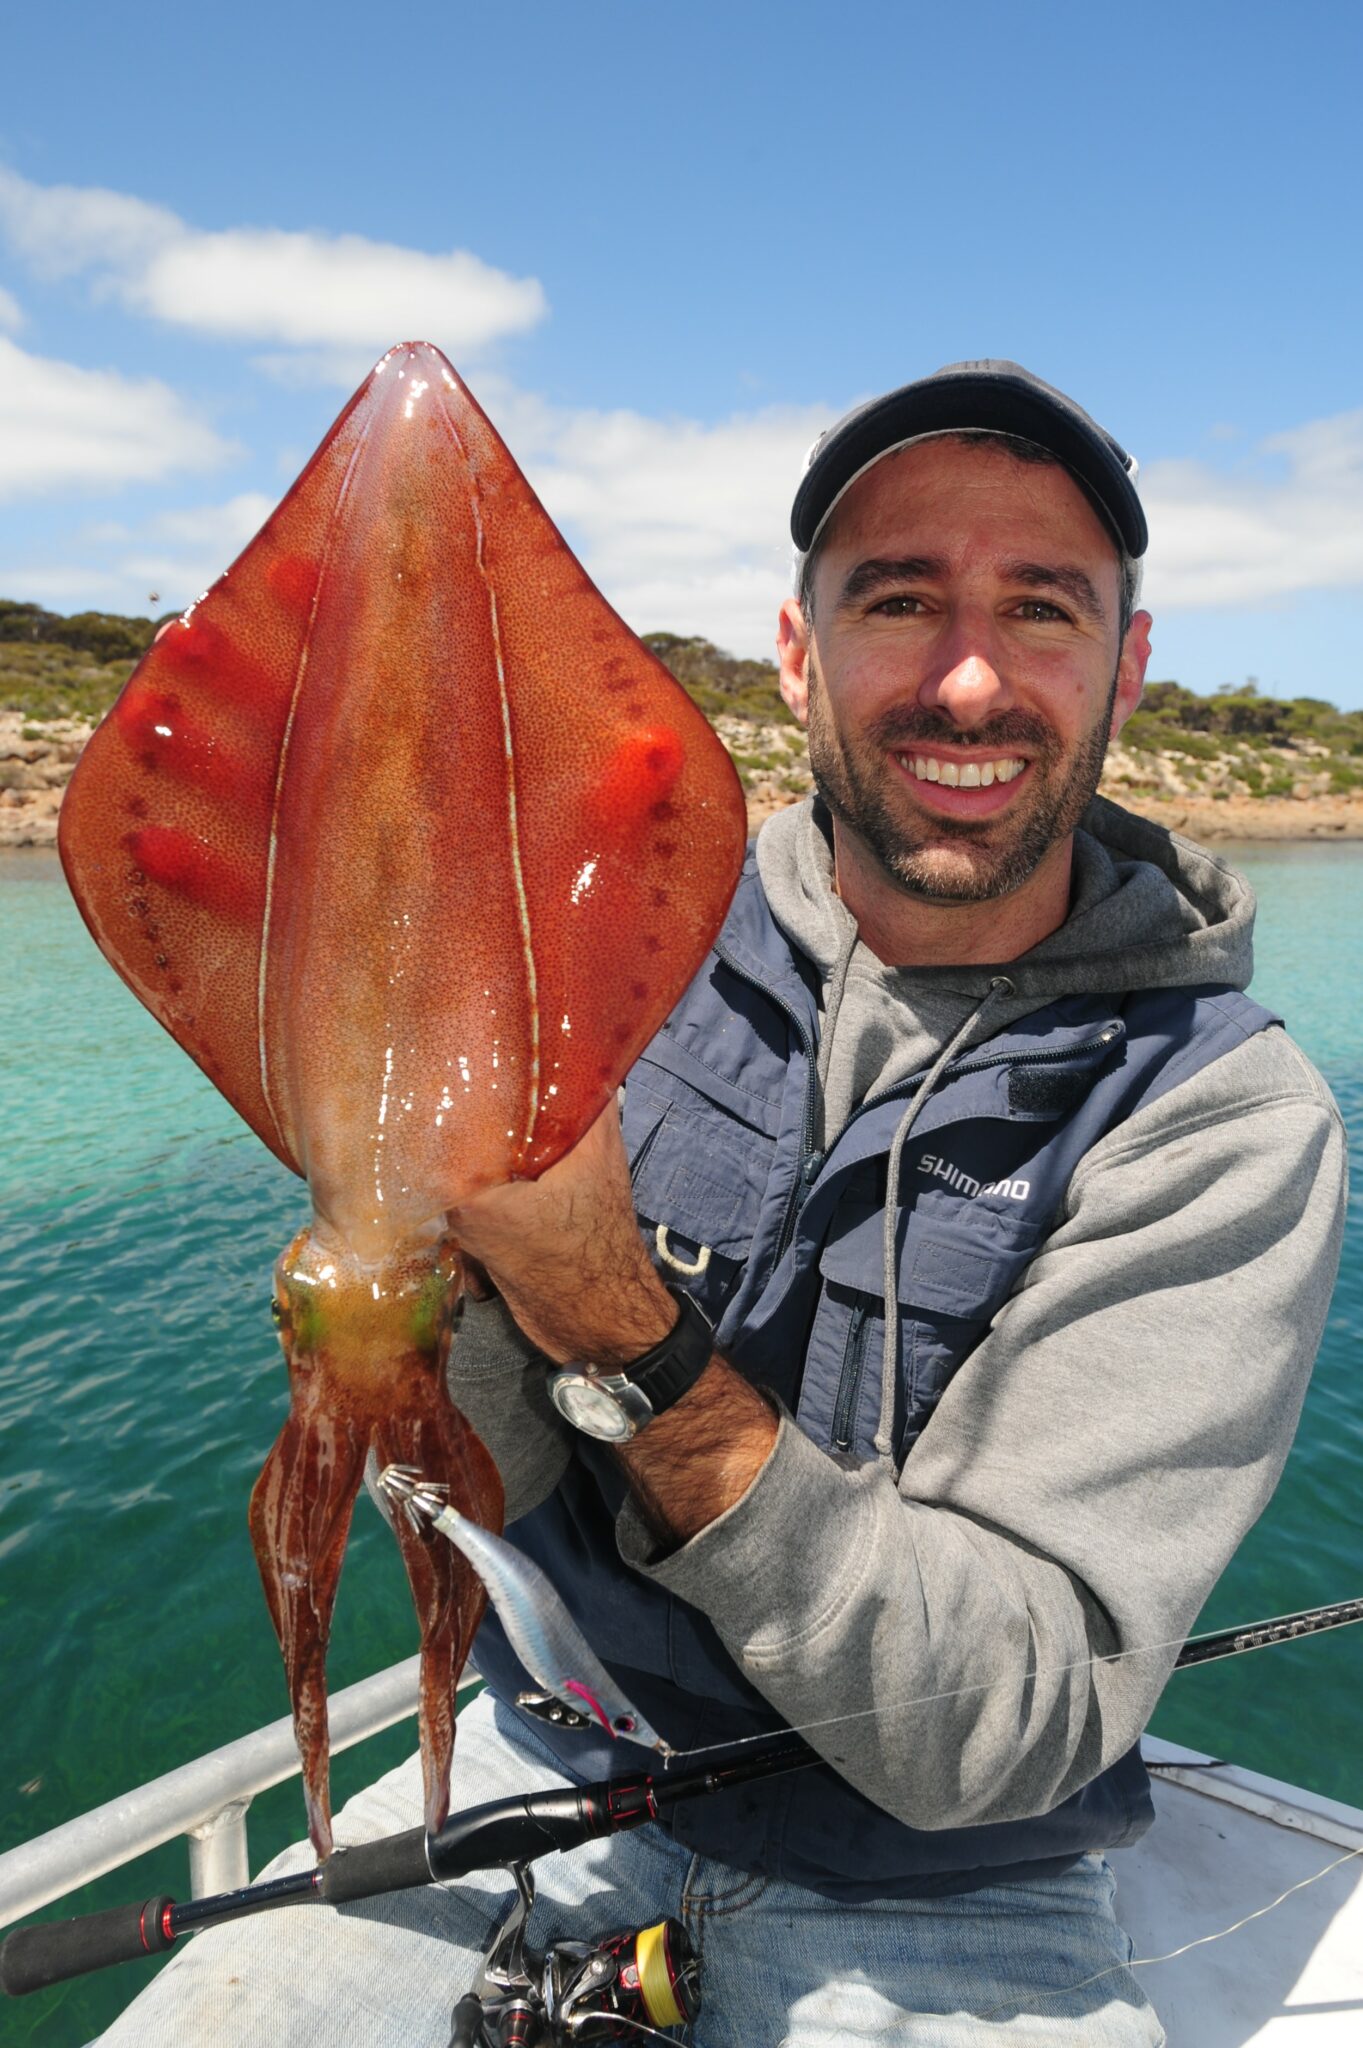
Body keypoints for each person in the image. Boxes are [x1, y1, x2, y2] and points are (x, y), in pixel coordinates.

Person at [94, 362, 1346, 2047]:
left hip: (943, 1884)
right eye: (897, 600)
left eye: (1041, 611)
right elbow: (497, 1467)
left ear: (1126, 662)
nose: (966, 678)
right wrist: (422, 1269)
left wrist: (617, 1319)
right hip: (549, 1760)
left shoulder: (1217, 1118)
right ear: (794, 648)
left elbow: (999, 1730)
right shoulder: (607, 964)